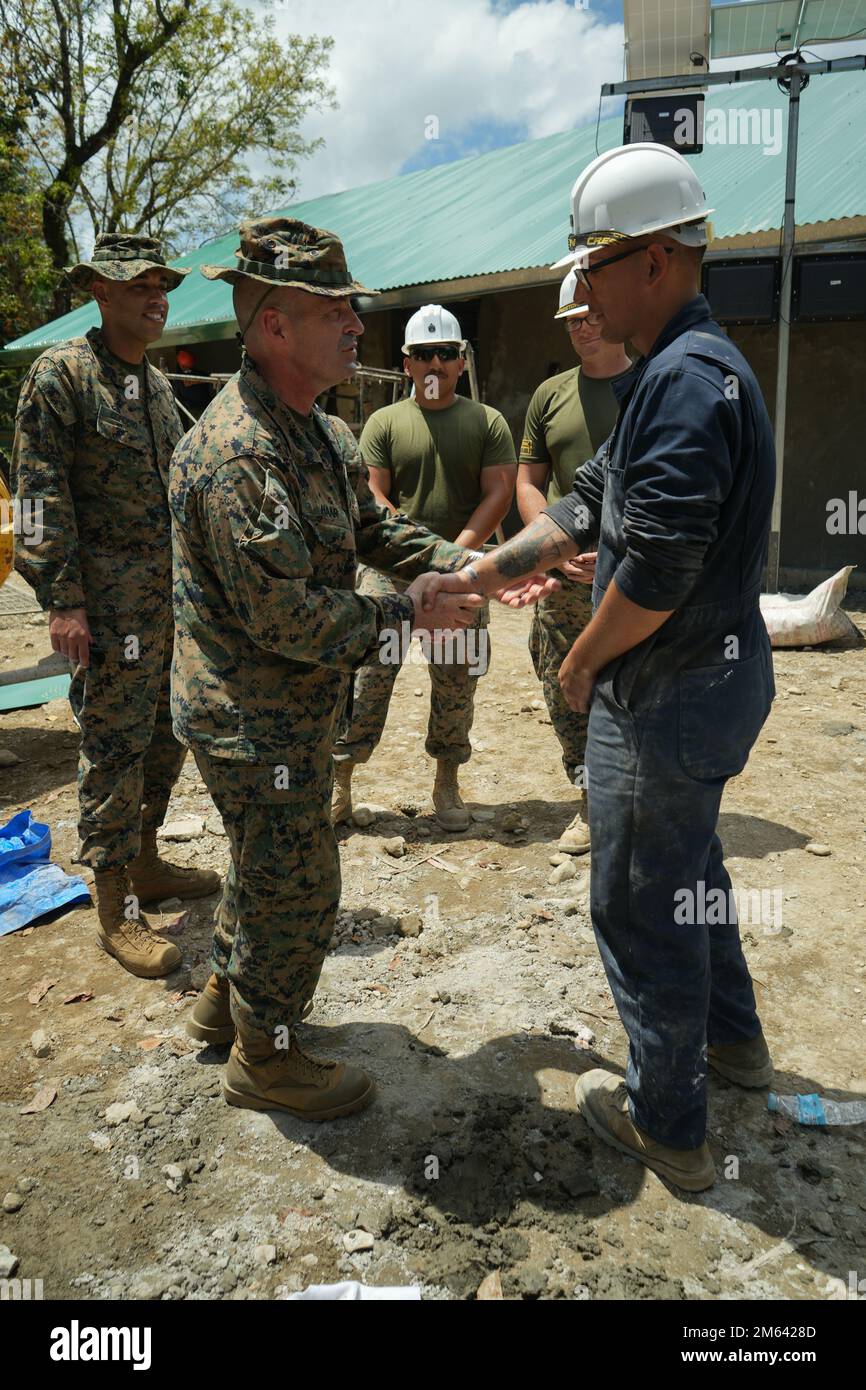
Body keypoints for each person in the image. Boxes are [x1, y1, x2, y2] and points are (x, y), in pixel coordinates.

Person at [421, 143, 776, 1191]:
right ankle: (734, 1044)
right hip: (701, 686)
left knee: (638, 901)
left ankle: (667, 1123)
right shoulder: (680, 371)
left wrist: (579, 661)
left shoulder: (682, 382)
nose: (582, 290)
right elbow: (584, 505)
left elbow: (656, 572)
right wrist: (483, 573)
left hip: (667, 692)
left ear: (655, 260)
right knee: (691, 873)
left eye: (594, 265)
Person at [172, 220, 483, 1120]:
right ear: (274, 326)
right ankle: (265, 1059)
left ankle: (222, 1001)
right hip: (249, 718)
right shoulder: (239, 453)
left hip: (291, 709)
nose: (357, 325)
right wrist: (408, 611)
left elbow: (372, 528)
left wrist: (469, 565)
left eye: (354, 308)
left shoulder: (320, 431)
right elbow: (285, 616)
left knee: (263, 861)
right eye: (334, 311)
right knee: (299, 882)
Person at [11, 233, 219, 979]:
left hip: (167, 608)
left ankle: (147, 860)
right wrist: (62, 600)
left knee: (166, 737)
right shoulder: (62, 375)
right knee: (114, 748)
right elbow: (36, 498)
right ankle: (114, 906)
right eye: (139, 287)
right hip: (104, 612)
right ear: (100, 292)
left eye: (161, 286)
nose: (156, 298)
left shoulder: (156, 387)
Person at [332, 305, 516, 830]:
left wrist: (450, 559)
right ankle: (340, 780)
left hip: (462, 573)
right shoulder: (384, 423)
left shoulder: (487, 422)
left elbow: (499, 495)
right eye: (424, 354)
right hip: (390, 570)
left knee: (457, 680)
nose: (435, 363)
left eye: (446, 353)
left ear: (462, 361)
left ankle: (447, 782)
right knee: (368, 675)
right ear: (406, 363)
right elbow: (373, 496)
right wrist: (418, 557)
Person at [518, 269, 630, 853]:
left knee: (636, 684)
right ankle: (588, 800)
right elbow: (528, 481)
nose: (582, 328)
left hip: (633, 574)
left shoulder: (650, 385)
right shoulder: (550, 396)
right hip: (564, 580)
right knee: (564, 684)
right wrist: (554, 547)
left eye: (590, 315)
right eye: (571, 321)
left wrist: (611, 549)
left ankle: (636, 798)